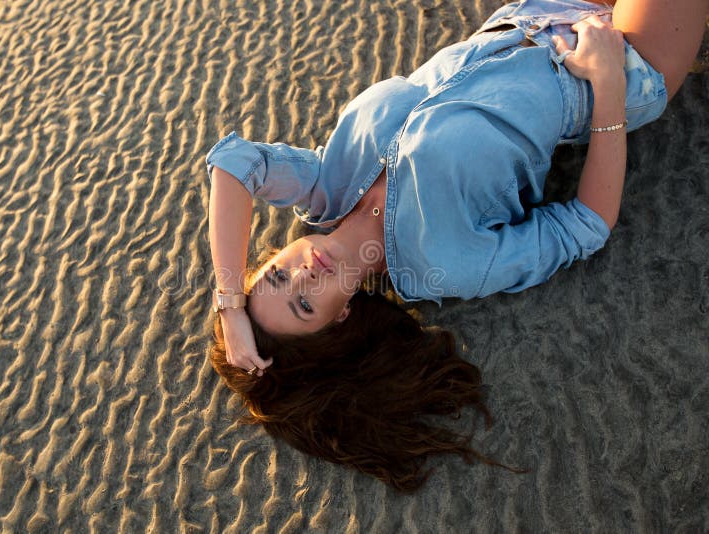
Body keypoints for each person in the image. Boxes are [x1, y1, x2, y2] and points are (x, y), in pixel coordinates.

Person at [204, 0, 708, 491]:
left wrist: (230, 304)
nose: (302, 275)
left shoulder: (324, 183)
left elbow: (234, 162)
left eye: (276, 274)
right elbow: (586, 225)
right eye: (304, 303)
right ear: (341, 318)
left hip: (532, 12)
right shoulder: (442, 261)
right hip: (624, 58)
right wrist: (608, 83)